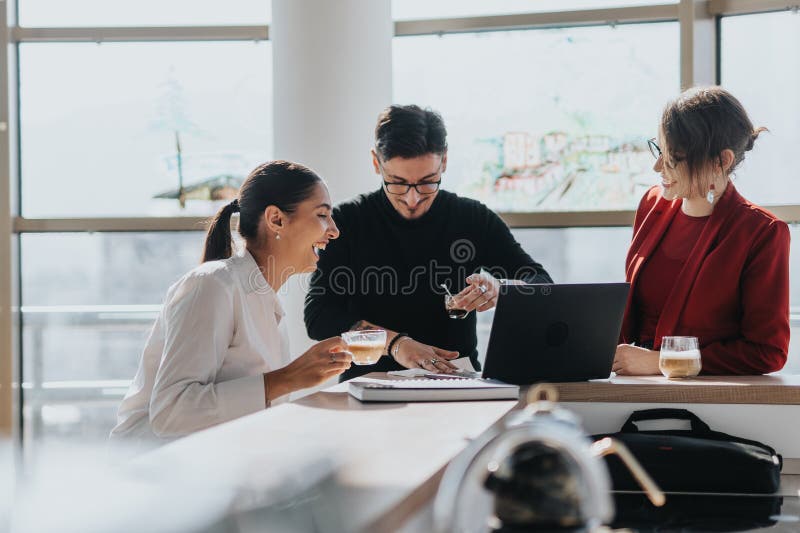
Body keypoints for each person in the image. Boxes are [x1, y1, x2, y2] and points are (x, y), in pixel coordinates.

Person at [111, 161, 350, 448]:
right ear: (276, 219)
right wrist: (288, 378)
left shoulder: (267, 304)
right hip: (153, 464)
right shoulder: (212, 285)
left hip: (211, 461)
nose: (334, 230)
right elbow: (170, 412)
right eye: (322, 215)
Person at [304, 104, 552, 380]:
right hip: (370, 383)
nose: (412, 199)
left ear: (444, 162)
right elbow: (319, 316)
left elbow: (541, 282)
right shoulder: (346, 222)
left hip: (458, 381)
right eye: (397, 183)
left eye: (428, 182)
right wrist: (396, 344)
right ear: (376, 163)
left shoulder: (473, 218)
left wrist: (503, 289)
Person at [613, 86, 789, 375]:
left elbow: (767, 352)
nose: (658, 167)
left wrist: (661, 362)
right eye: (660, 150)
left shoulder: (762, 232)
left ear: (722, 161)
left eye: (674, 158)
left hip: (698, 394)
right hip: (632, 381)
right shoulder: (652, 205)